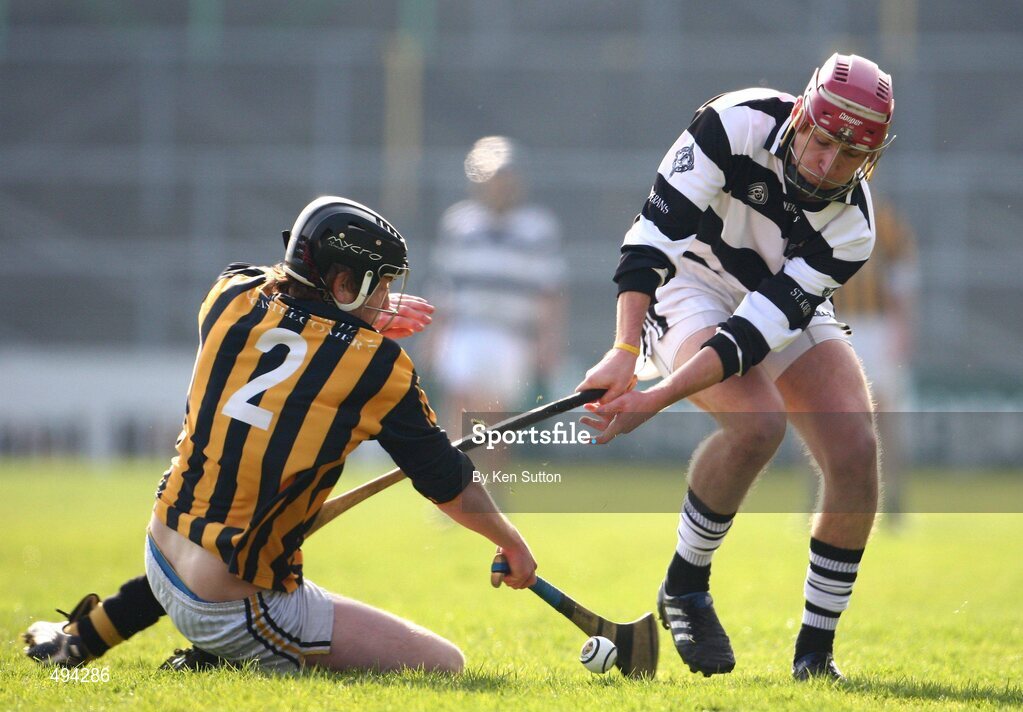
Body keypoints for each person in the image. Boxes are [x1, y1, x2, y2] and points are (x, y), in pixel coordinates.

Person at [23, 196, 538, 673]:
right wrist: (509, 541)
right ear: (343, 284)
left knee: (226, 521)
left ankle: (80, 641)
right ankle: (222, 655)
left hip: (161, 554)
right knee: (445, 663)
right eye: (379, 284)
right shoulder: (377, 367)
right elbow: (444, 479)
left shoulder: (228, 295)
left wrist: (358, 316)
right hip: (230, 607)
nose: (387, 298)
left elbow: (278, 286)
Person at [577, 53, 896, 682]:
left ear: (871, 159)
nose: (829, 166)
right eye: (823, 141)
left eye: (851, 156)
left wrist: (655, 397)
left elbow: (753, 335)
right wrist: (622, 352)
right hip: (688, 281)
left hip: (769, 300)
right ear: (801, 116)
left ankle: (814, 656)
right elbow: (652, 240)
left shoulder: (853, 230)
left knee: (855, 448)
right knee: (757, 425)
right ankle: (687, 585)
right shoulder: (732, 122)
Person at [430, 136, 566, 430]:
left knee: (494, 415)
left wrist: (548, 341)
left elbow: (550, 291)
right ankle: (459, 473)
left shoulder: (537, 228)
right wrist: (436, 335)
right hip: (465, 330)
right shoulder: (460, 223)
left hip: (511, 334)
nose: (501, 185)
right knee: (460, 403)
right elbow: (446, 287)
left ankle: (490, 476)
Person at [831, 201, 918, 523]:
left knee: (886, 415)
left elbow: (902, 280)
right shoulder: (817, 212)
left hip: (877, 327)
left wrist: (902, 329)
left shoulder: (886, 220)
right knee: (823, 416)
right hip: (833, 323)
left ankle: (893, 499)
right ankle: (823, 499)